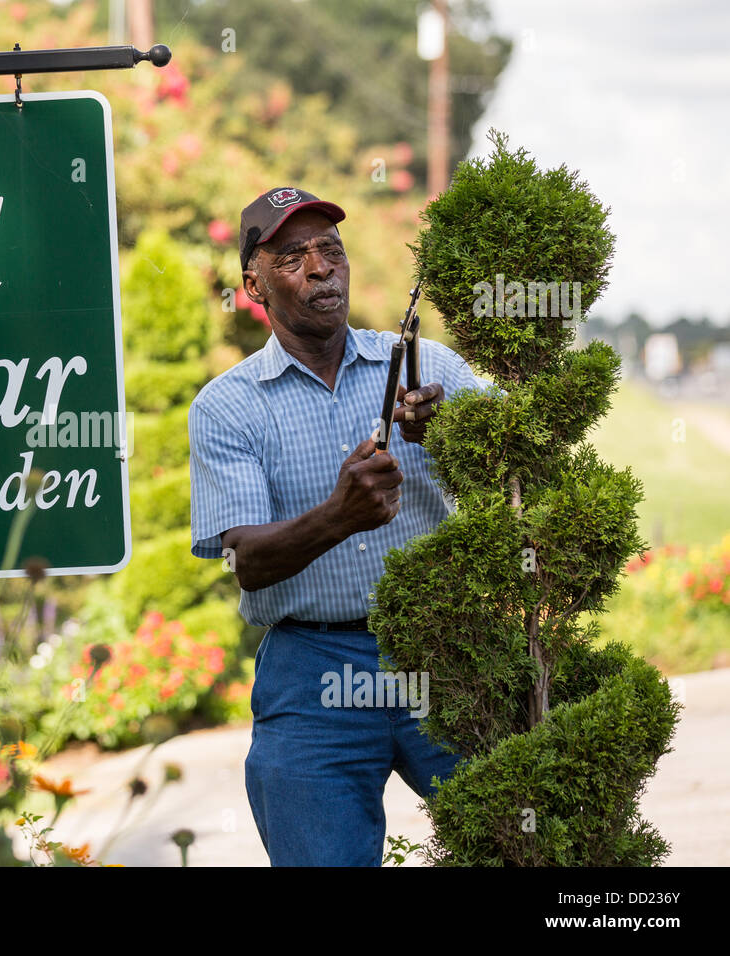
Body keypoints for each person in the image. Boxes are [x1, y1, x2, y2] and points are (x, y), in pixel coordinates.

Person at [188, 186, 493, 866]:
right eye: (293, 257)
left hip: (442, 649)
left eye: (332, 250)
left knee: (520, 836)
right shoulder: (227, 408)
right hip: (311, 668)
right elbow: (246, 562)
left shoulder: (426, 368)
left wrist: (459, 437)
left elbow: (522, 469)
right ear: (253, 284)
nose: (321, 268)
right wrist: (338, 516)